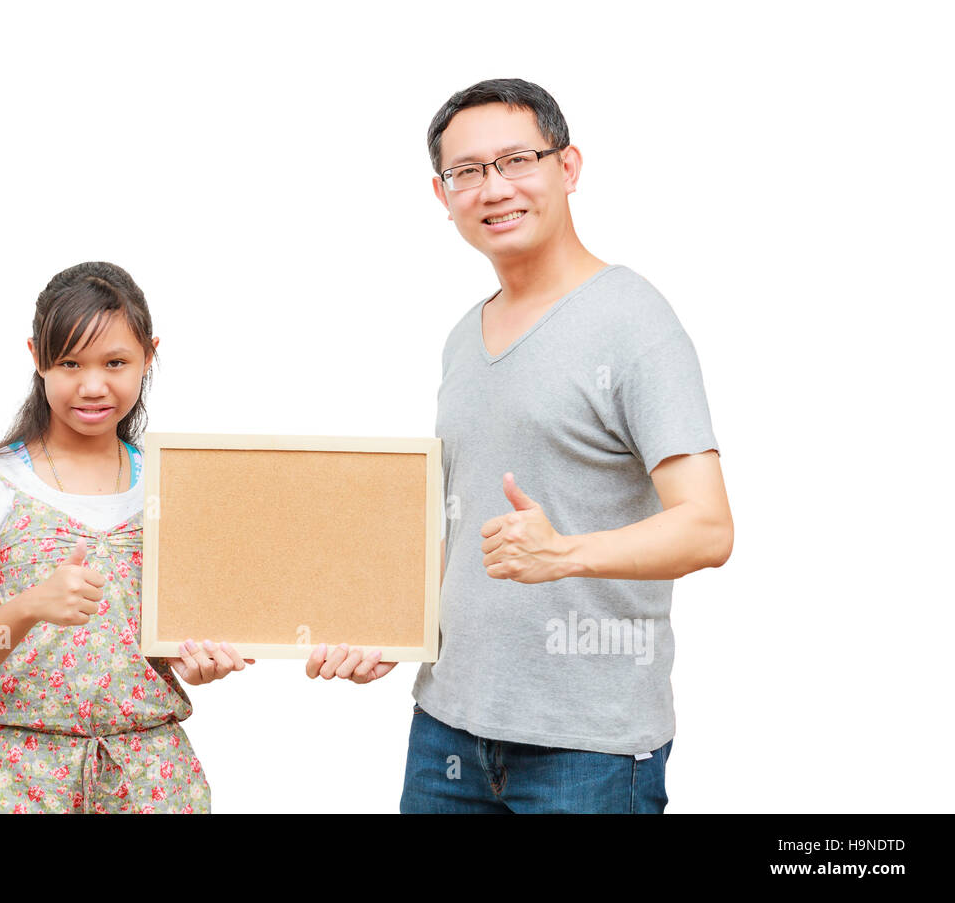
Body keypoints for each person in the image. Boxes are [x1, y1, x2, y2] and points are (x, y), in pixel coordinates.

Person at [306, 79, 733, 814]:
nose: (493, 187)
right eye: (466, 172)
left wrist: (563, 553)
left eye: (516, 160)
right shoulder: (462, 338)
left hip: (587, 751)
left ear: (568, 168)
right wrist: (392, 625)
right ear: (442, 197)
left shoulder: (634, 322)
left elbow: (709, 527)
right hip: (446, 731)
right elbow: (456, 522)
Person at [0, 261, 253, 813]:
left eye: (116, 362)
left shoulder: (177, 485)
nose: (93, 385)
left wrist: (204, 662)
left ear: (149, 356)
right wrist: (28, 607)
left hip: (153, 780)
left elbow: (191, 637)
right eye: (70, 362)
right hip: (12, 782)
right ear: (36, 358)